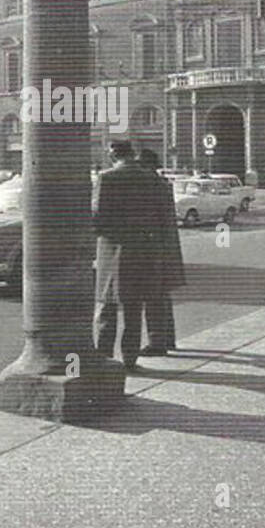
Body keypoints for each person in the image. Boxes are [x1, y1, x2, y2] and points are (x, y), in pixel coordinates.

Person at [92, 141, 157, 370]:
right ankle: (130, 360)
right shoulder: (149, 177)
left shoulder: (107, 177)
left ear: (113, 155)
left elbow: (98, 217)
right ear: (131, 154)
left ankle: (103, 359)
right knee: (133, 308)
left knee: (107, 307)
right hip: (142, 248)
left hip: (112, 249)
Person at [137, 149, 184, 356]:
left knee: (152, 295)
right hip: (165, 246)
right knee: (162, 295)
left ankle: (157, 342)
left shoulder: (148, 187)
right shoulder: (162, 184)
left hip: (152, 248)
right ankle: (168, 339)